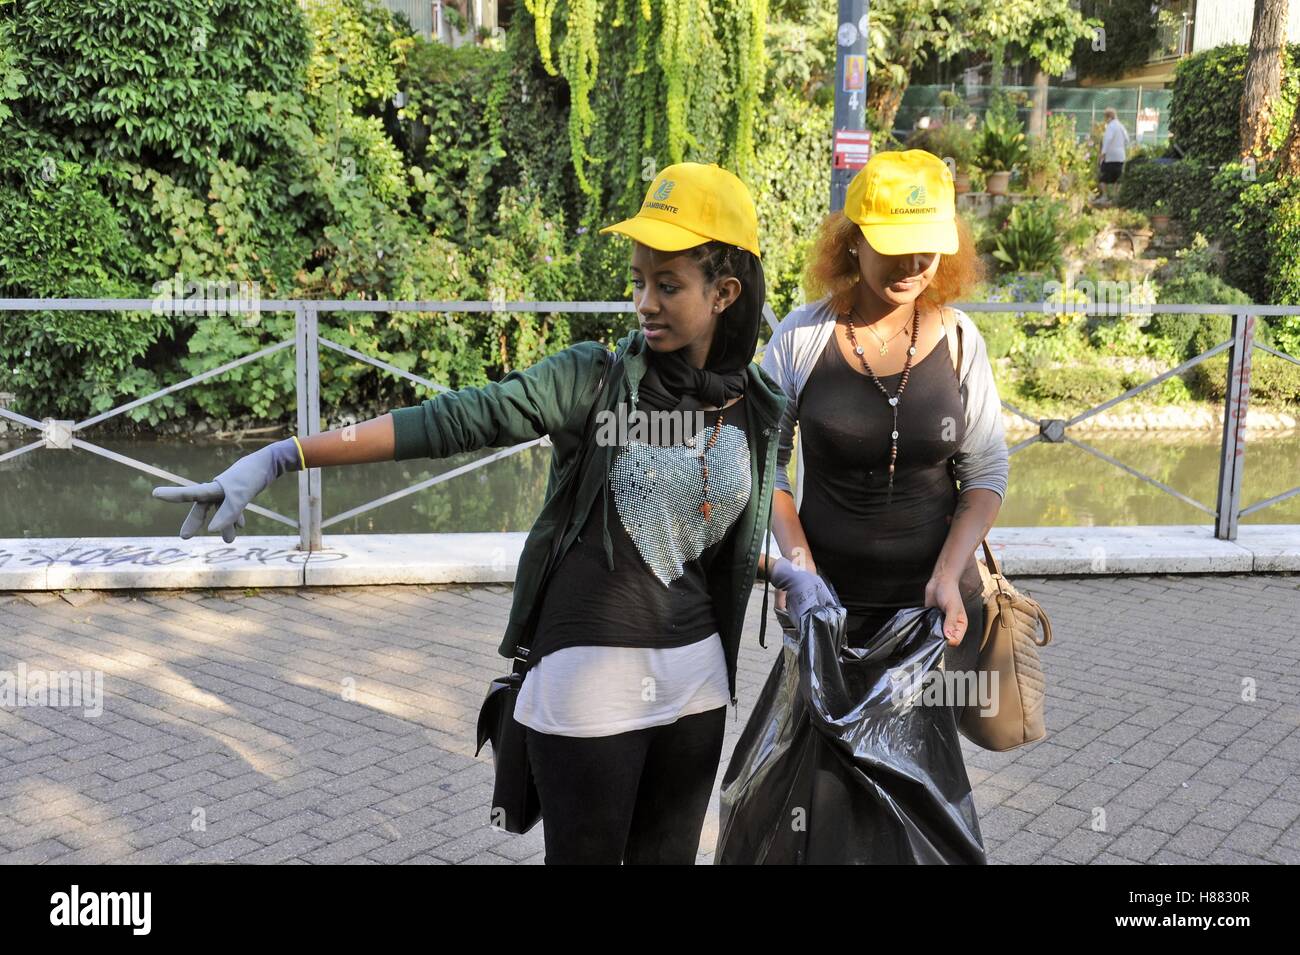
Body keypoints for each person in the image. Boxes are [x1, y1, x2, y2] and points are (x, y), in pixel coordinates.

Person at [151, 161, 829, 865]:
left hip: (695, 687)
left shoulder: (755, 406)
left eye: (667, 285)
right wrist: (285, 455)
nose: (644, 303)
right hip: (589, 684)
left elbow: (693, 526)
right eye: (637, 280)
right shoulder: (593, 379)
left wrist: (783, 569)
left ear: (725, 291)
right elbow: (455, 420)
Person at [761, 149, 1009, 860]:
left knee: (917, 803)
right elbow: (766, 463)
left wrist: (949, 570)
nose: (911, 266)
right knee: (823, 798)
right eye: (895, 249)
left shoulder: (960, 340)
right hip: (826, 614)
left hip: (923, 619)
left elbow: (986, 468)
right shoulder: (802, 339)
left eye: (928, 251)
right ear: (853, 241)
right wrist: (799, 569)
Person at [1098, 107, 1129, 204]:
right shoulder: (1121, 126)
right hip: (1120, 156)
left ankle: (1105, 196)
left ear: (1108, 117)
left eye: (1105, 117)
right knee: (1117, 178)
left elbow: (1107, 140)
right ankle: (1116, 198)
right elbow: (1127, 140)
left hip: (1110, 156)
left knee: (1103, 178)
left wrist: (1102, 154)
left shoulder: (1111, 126)